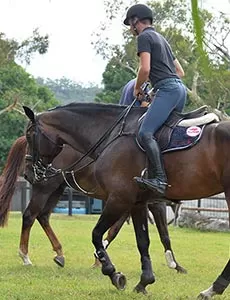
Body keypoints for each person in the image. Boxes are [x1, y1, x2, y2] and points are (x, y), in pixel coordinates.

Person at [123, 3, 187, 197]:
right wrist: (154, 92)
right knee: (164, 133)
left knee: (145, 134)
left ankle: (159, 179)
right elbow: (180, 72)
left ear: (135, 21)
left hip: (168, 90)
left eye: (130, 24)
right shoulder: (161, 39)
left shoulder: (144, 37)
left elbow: (145, 69)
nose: (130, 29)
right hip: (179, 90)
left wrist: (137, 88)